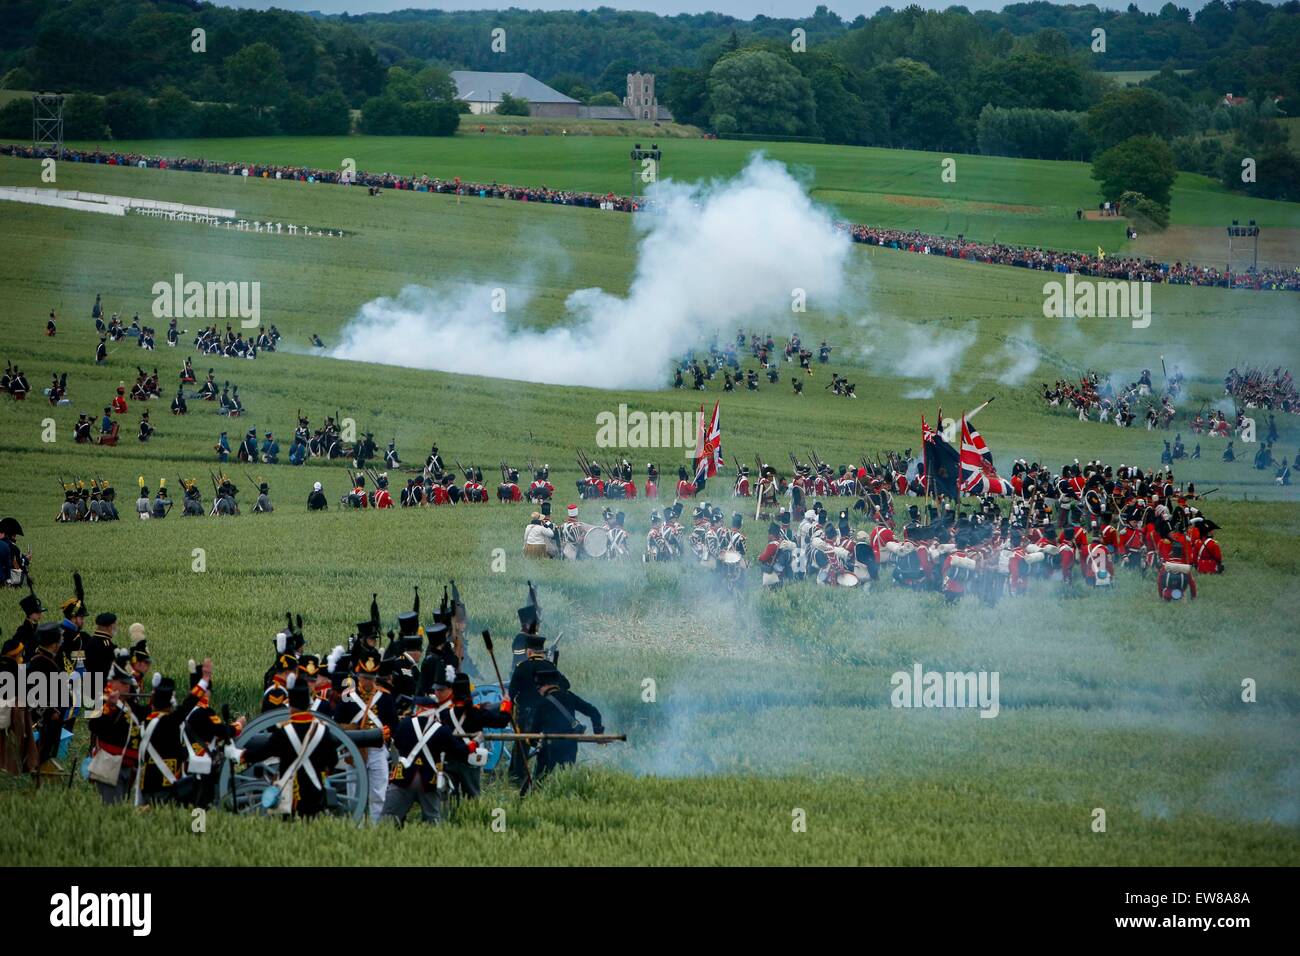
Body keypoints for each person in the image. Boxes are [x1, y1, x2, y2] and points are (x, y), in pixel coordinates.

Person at [229, 674, 341, 818]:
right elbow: (333, 760)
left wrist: (239, 754)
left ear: (291, 706)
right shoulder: (322, 729)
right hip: (314, 792)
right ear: (308, 704)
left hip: (289, 794)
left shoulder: (285, 731)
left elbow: (263, 753)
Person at [382, 668, 475, 826]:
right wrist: (475, 743)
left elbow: (396, 743)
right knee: (433, 820)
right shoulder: (442, 730)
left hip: (404, 777)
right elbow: (459, 751)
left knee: (389, 818)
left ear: (419, 709)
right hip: (428, 779)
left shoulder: (405, 724)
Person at [525, 660, 603, 780]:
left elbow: (533, 731)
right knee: (566, 778)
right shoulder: (569, 696)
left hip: (549, 746)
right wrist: (598, 733)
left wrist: (534, 742)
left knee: (541, 780)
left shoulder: (541, 703)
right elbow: (594, 712)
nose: (539, 691)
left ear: (544, 685)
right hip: (570, 745)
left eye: (539, 687)